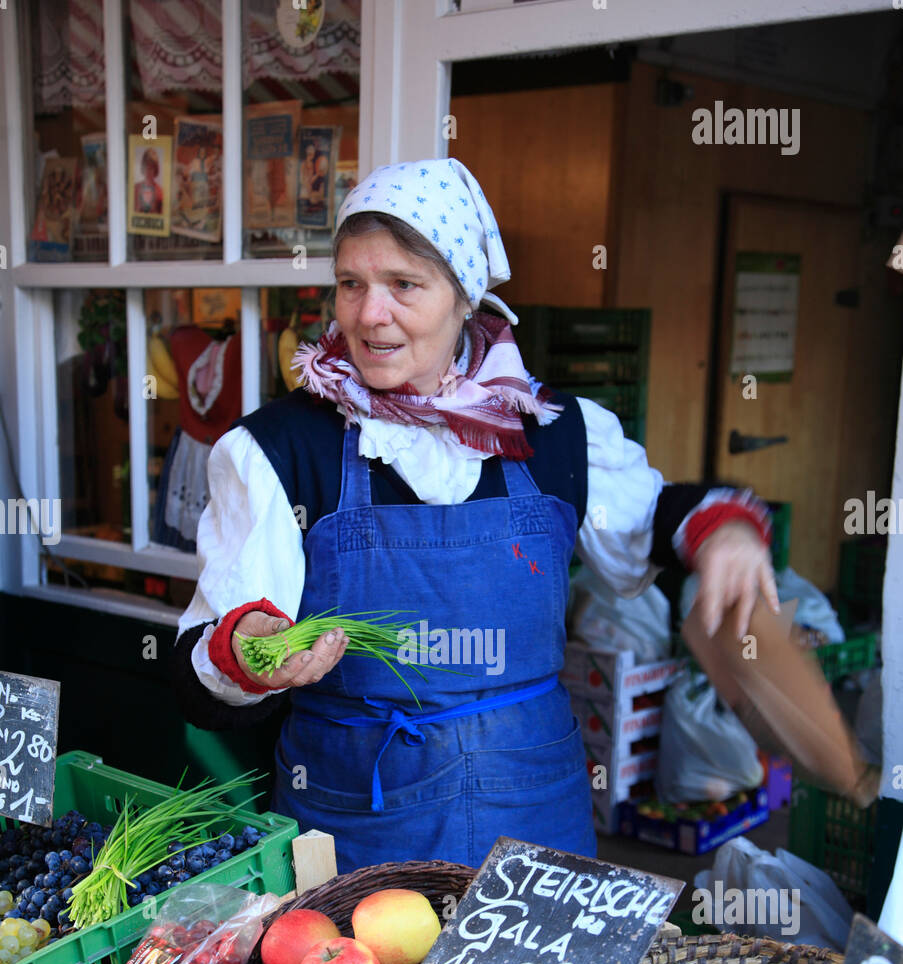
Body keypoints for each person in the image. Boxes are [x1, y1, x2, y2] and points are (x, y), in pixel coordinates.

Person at [174, 158, 779, 874]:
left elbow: (653, 525)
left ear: (466, 295)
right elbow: (203, 656)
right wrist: (249, 648)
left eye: (404, 285)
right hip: (353, 823)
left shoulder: (555, 431)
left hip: (534, 810)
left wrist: (725, 530)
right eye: (350, 284)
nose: (370, 314)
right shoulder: (276, 449)